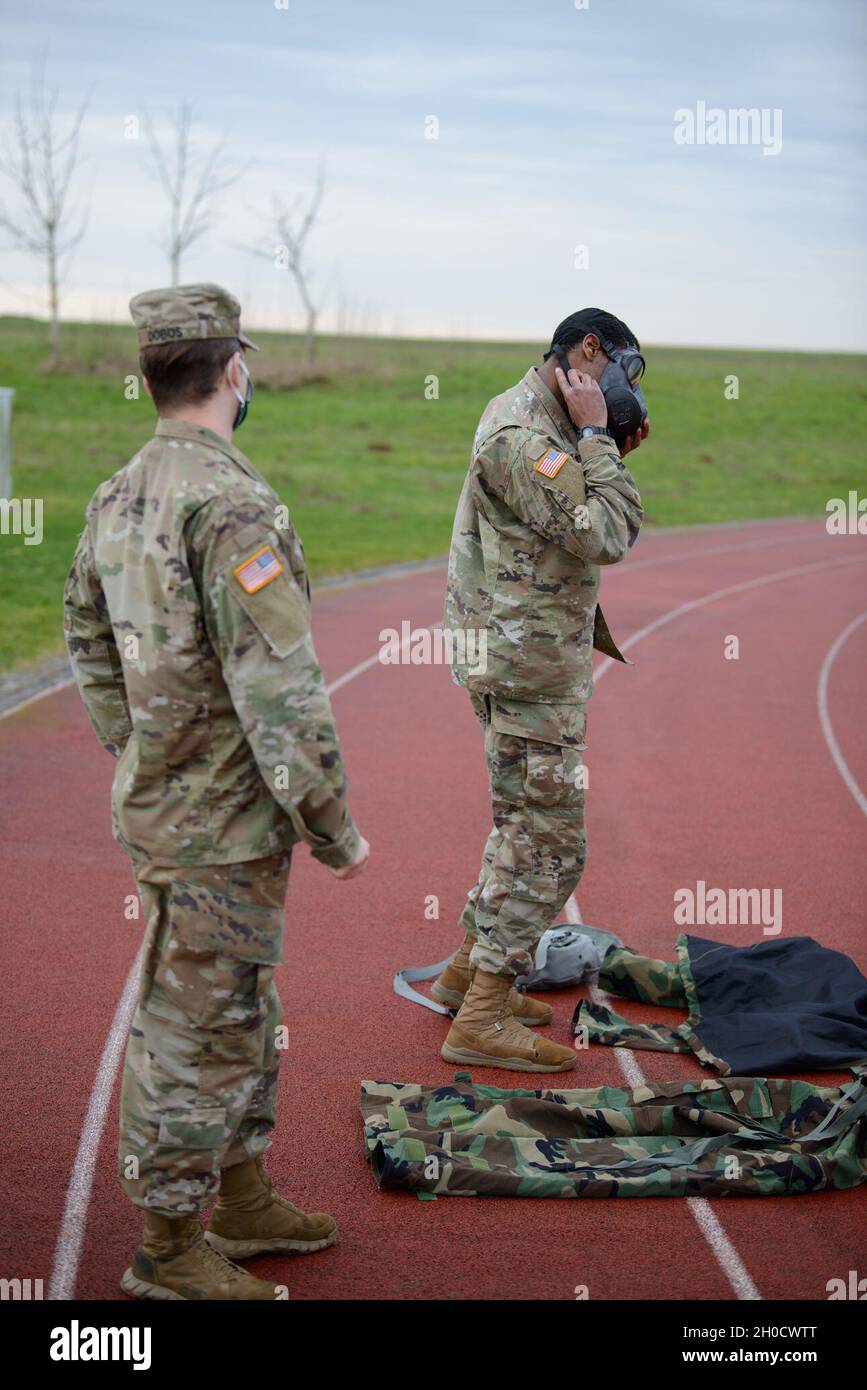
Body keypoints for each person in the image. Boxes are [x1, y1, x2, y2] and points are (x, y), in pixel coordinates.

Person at [63, 283, 369, 1300]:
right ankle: (168, 1246)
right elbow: (277, 683)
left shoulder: (118, 493)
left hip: (169, 807)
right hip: (222, 825)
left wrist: (140, 748)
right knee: (195, 1026)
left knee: (233, 1004)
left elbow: (87, 643)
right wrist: (330, 819)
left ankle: (240, 1196)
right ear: (234, 369)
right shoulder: (231, 503)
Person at [435, 308, 647, 1072]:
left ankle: (467, 975)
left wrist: (603, 444)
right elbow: (608, 535)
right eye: (623, 369)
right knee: (555, 850)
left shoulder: (531, 416)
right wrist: (597, 441)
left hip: (523, 658)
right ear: (588, 352)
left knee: (519, 827)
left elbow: (589, 519)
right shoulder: (527, 439)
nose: (627, 389)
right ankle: (483, 1016)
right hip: (525, 670)